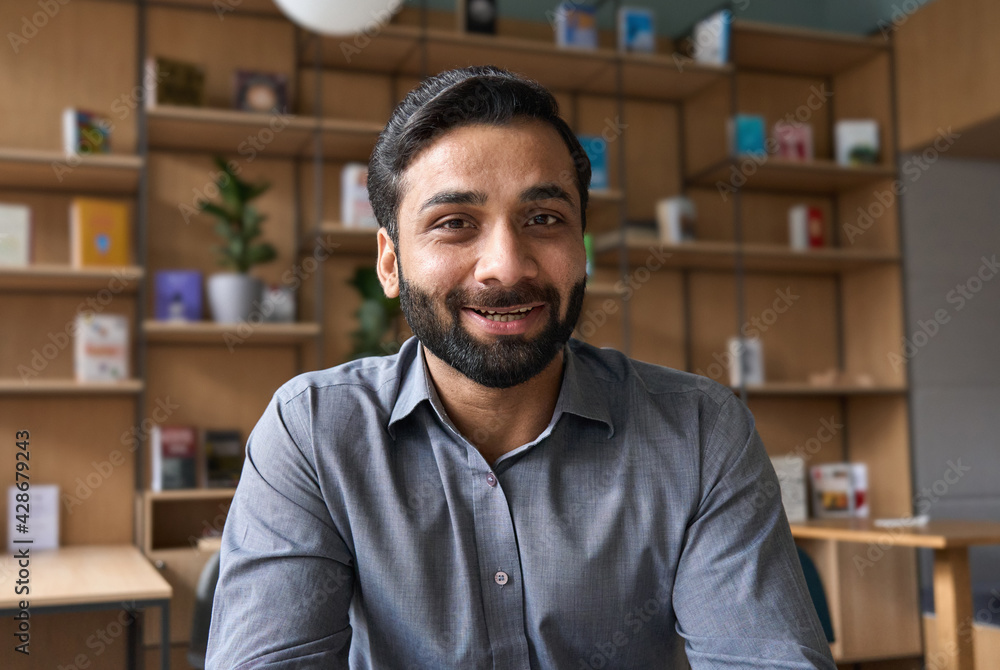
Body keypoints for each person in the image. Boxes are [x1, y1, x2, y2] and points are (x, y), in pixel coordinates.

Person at [206, 65, 837, 669]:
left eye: (544, 219)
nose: (506, 267)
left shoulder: (700, 431)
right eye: (454, 223)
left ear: (582, 247)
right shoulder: (313, 431)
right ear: (391, 262)